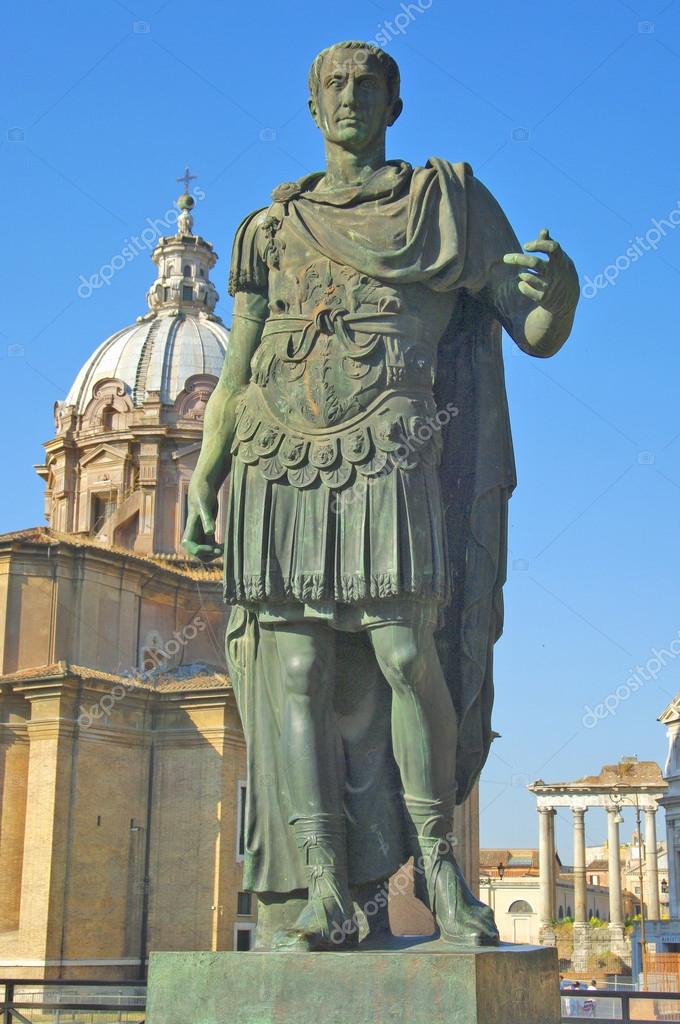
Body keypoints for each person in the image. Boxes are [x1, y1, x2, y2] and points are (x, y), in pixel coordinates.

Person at [183, 39, 579, 951]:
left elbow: (536, 328)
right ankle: (323, 885)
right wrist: (208, 470)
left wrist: (562, 292)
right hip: (275, 458)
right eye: (333, 85)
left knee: (407, 654)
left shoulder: (448, 203)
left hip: (389, 447)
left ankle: (438, 868)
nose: (349, 97)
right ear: (313, 106)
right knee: (294, 674)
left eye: (368, 84)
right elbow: (238, 370)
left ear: (394, 105)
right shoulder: (265, 230)